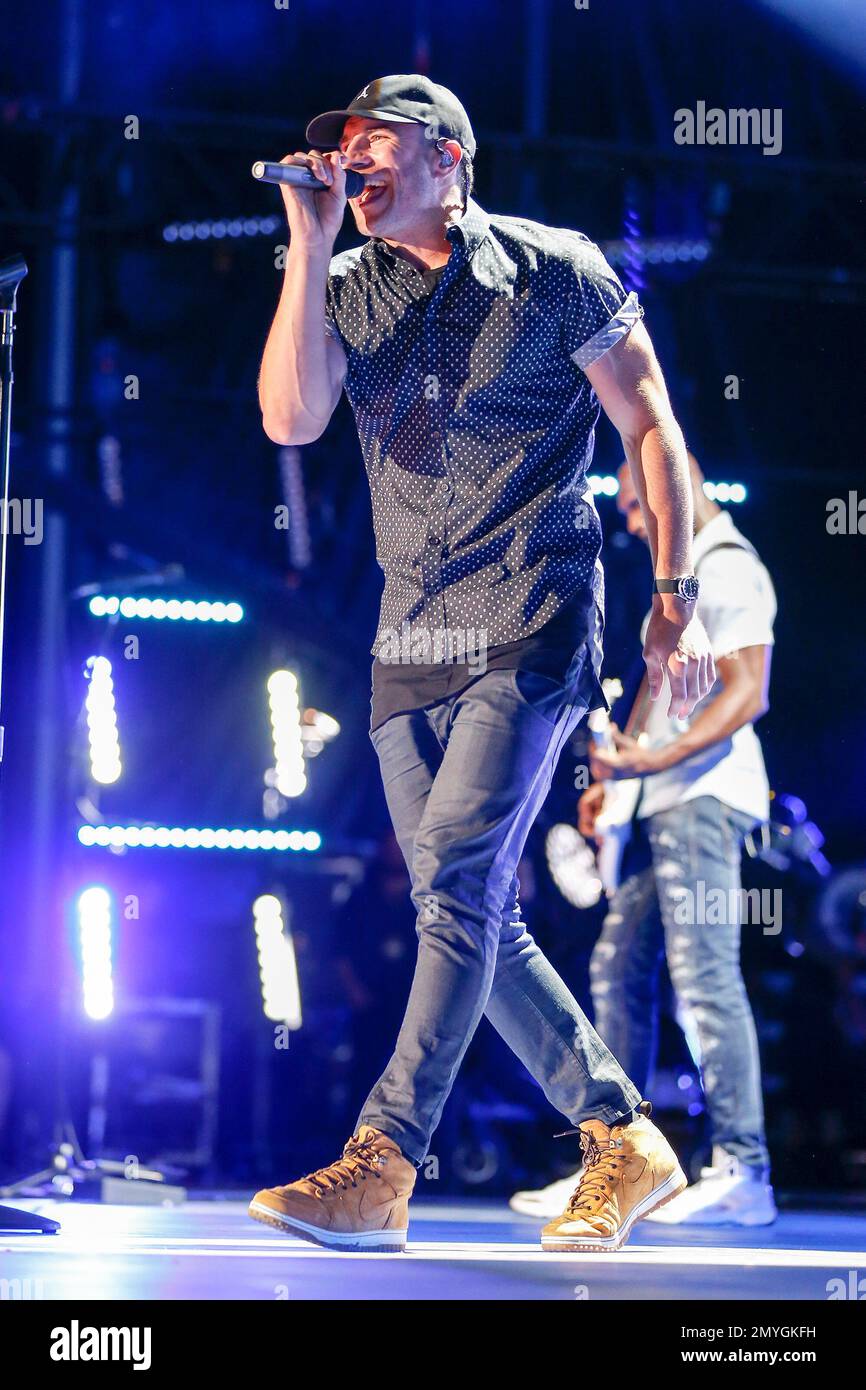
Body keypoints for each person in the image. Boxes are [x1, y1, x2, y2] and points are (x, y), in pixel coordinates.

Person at [250, 75, 715, 1253]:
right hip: (410, 638)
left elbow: (648, 420)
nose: (352, 159)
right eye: (340, 146)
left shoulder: (555, 270)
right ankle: (621, 1134)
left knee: (456, 885)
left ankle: (382, 1162)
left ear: (449, 158)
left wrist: (674, 590)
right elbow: (291, 420)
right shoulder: (343, 285)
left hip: (534, 617)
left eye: (376, 142)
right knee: (470, 911)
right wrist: (306, 244)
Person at [511, 456, 777, 1225]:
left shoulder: (730, 567)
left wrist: (650, 762)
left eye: (634, 503)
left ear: (678, 482)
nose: (630, 520)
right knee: (618, 969)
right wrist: (613, 783)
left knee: (702, 974)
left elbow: (748, 691)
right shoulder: (685, 582)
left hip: (702, 800)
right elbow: (656, 705)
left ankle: (745, 1167)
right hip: (659, 802)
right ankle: (620, 1163)